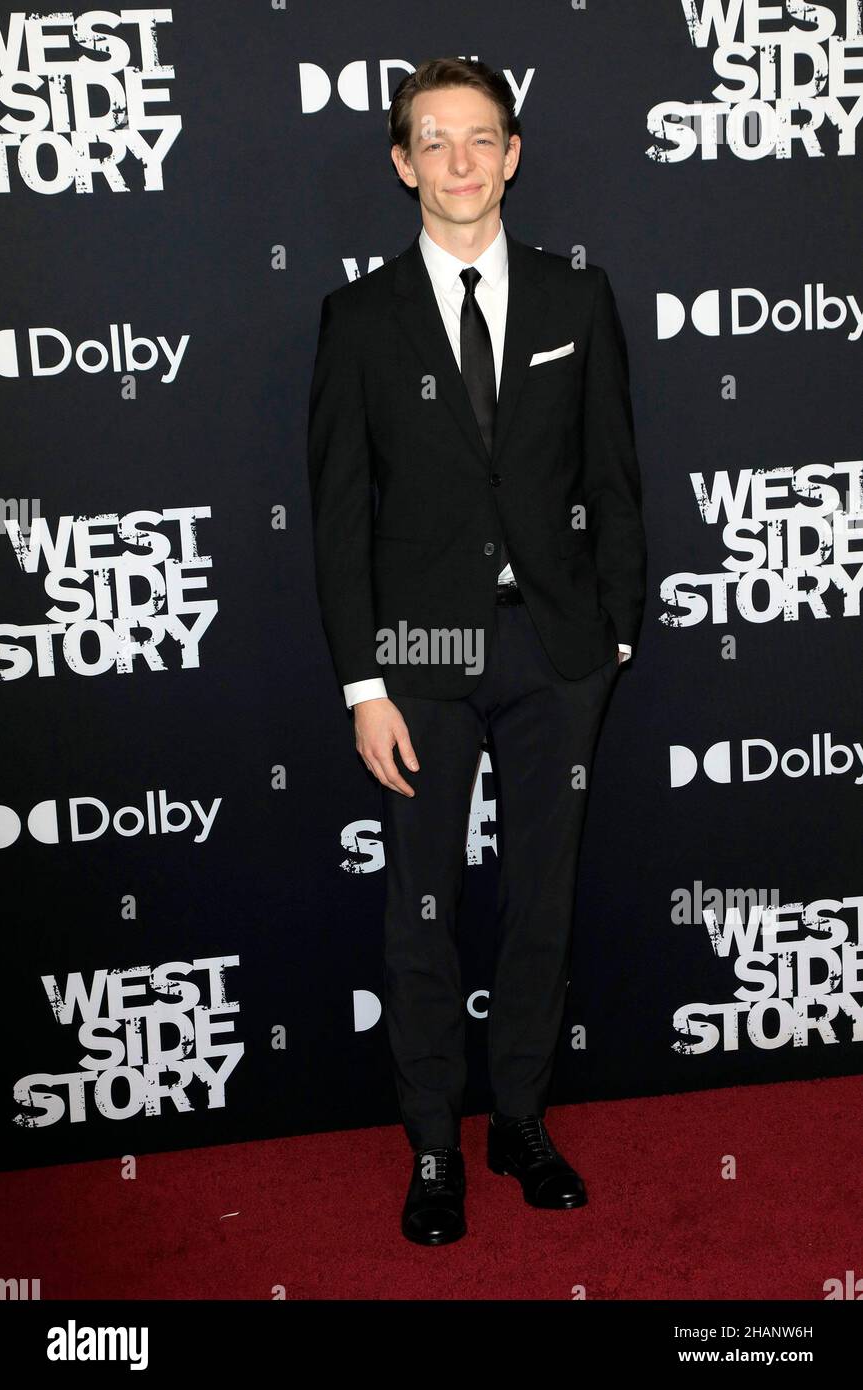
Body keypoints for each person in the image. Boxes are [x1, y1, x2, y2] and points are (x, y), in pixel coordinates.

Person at [307, 56, 647, 1245]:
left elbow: (612, 480)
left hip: (557, 649)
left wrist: (610, 635)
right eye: (433, 141)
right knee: (423, 907)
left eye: (480, 138)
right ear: (403, 165)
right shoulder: (359, 318)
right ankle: (434, 1146)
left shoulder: (574, 298)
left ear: (510, 154)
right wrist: (364, 682)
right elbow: (340, 514)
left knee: (540, 903)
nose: (459, 160)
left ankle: (520, 1120)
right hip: (421, 645)